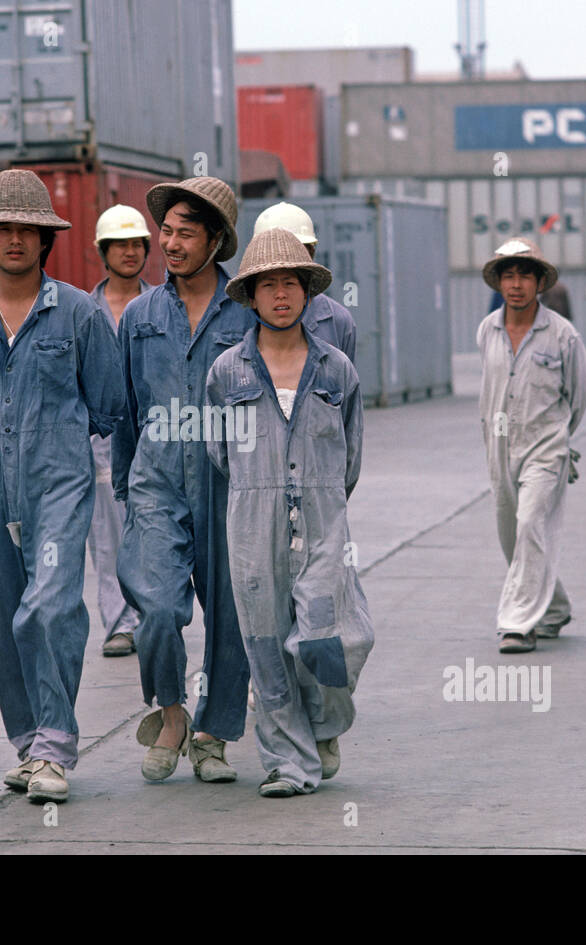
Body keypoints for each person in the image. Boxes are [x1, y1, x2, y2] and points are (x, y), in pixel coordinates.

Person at [0, 170, 125, 804]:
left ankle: (54, 743)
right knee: (3, 612)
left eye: (28, 229)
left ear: (46, 238)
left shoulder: (78, 312)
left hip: (59, 479)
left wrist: (57, 442)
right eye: (4, 229)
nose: (15, 239)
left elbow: (107, 402)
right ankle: (27, 743)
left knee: (49, 604)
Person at [206, 227, 373, 798]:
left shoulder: (336, 370)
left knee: (333, 637)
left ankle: (325, 723)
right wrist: (263, 490)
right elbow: (219, 454)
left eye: (291, 284)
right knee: (265, 639)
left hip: (325, 517)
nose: (281, 295)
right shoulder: (226, 373)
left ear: (307, 292)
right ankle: (288, 762)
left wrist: (322, 499)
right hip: (252, 517)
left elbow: (351, 456)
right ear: (251, 296)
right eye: (268, 285)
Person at [113, 176, 252, 784]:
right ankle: (170, 711)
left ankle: (212, 734)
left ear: (216, 240)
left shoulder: (246, 313)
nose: (168, 244)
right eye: (165, 231)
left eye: (185, 234)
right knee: (158, 609)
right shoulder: (140, 314)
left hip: (229, 482)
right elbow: (125, 408)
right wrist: (126, 485)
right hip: (157, 480)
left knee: (230, 616)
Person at [476, 238, 586, 654]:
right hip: (499, 448)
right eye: (509, 275)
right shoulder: (486, 331)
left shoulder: (564, 336)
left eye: (525, 275)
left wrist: (559, 440)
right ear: (499, 283)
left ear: (540, 282)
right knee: (513, 536)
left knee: (529, 524)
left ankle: (518, 624)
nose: (517, 284)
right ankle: (555, 608)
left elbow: (578, 397)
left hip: (545, 447)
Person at [88, 205, 152, 657]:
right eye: (120, 245)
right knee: (107, 536)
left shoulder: (162, 305)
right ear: (103, 252)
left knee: (153, 531)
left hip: (155, 437)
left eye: (136, 244)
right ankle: (120, 623)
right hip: (101, 444)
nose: (129, 252)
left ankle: (155, 617)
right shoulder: (83, 312)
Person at [251, 202, 357, 361]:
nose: (286, 261)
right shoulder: (240, 315)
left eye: (296, 250)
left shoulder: (337, 320)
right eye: (277, 253)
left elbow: (346, 382)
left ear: (311, 254)